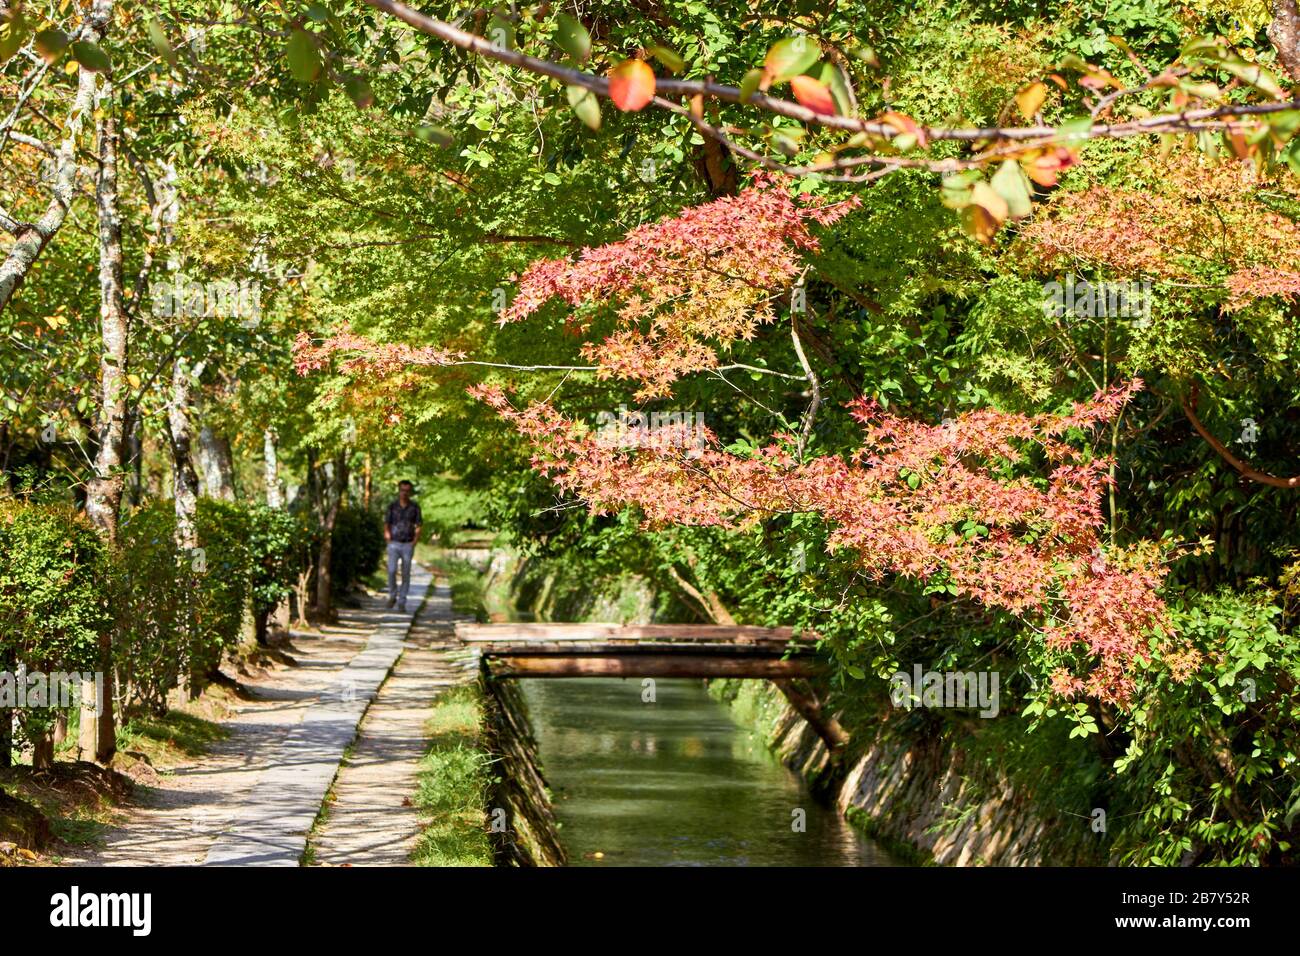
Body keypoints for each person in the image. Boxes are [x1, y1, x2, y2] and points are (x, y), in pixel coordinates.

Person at [384, 480, 422, 611]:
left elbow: (418, 525)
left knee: (406, 573)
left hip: (407, 544)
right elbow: (386, 523)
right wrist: (387, 536)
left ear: (410, 492)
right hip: (394, 543)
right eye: (402, 490)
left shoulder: (415, 507)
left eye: (407, 491)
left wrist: (414, 541)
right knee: (391, 571)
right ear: (399, 491)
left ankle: (402, 601)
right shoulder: (392, 506)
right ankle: (392, 595)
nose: (404, 493)